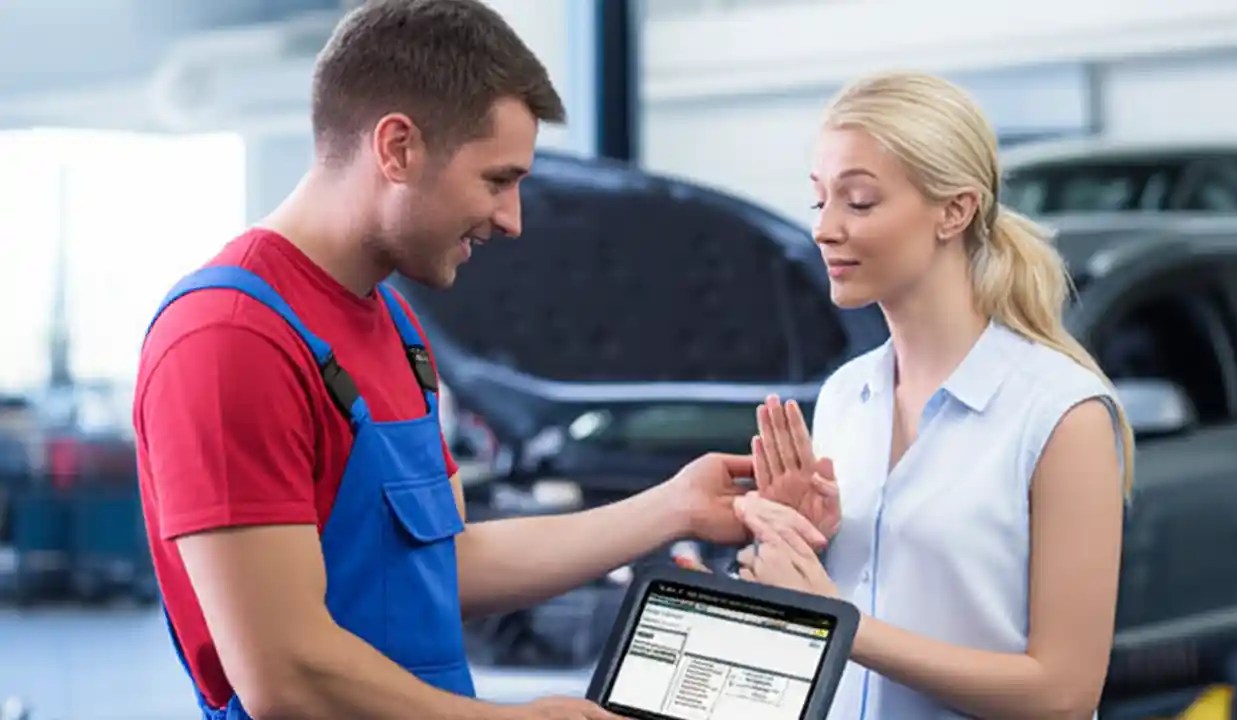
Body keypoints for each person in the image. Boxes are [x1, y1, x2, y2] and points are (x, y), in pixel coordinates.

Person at [132, 2, 829, 719]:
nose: (513, 218)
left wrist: (672, 509)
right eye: (497, 179)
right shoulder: (229, 340)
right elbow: (285, 675)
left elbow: (445, 565)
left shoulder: (395, 325)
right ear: (398, 148)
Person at [727, 71, 1135, 719]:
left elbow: (1062, 694)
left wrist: (838, 620)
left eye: (858, 202)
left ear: (956, 210)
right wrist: (788, 549)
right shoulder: (843, 397)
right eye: (819, 201)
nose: (824, 229)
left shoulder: (1061, 413)